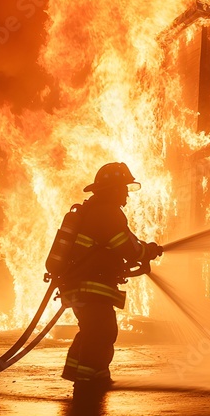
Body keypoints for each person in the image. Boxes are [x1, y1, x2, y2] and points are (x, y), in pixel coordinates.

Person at [58, 162, 163, 400]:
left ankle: (81, 373)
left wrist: (144, 250)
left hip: (81, 284)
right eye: (123, 188)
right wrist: (147, 251)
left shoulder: (95, 211)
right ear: (113, 190)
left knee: (90, 330)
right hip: (91, 285)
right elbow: (127, 246)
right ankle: (87, 383)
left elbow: (121, 244)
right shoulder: (107, 212)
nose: (126, 193)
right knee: (101, 332)